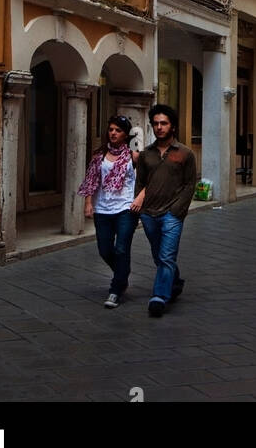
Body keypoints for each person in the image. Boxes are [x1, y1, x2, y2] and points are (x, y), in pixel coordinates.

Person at [134, 103, 197, 317]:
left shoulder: (185, 153)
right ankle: (175, 281)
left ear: (172, 127)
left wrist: (178, 210)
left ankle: (159, 297)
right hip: (150, 213)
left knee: (167, 255)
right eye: (156, 124)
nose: (159, 127)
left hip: (172, 214)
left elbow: (190, 184)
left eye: (164, 123)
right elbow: (140, 182)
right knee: (158, 255)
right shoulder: (146, 155)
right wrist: (140, 207)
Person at [79, 114, 140, 308]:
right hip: (102, 209)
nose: (113, 133)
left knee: (121, 249)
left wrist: (140, 199)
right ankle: (123, 274)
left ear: (125, 135)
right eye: (111, 129)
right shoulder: (99, 156)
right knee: (105, 250)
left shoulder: (133, 157)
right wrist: (88, 203)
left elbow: (146, 180)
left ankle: (115, 289)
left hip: (126, 208)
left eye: (118, 130)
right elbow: (91, 181)